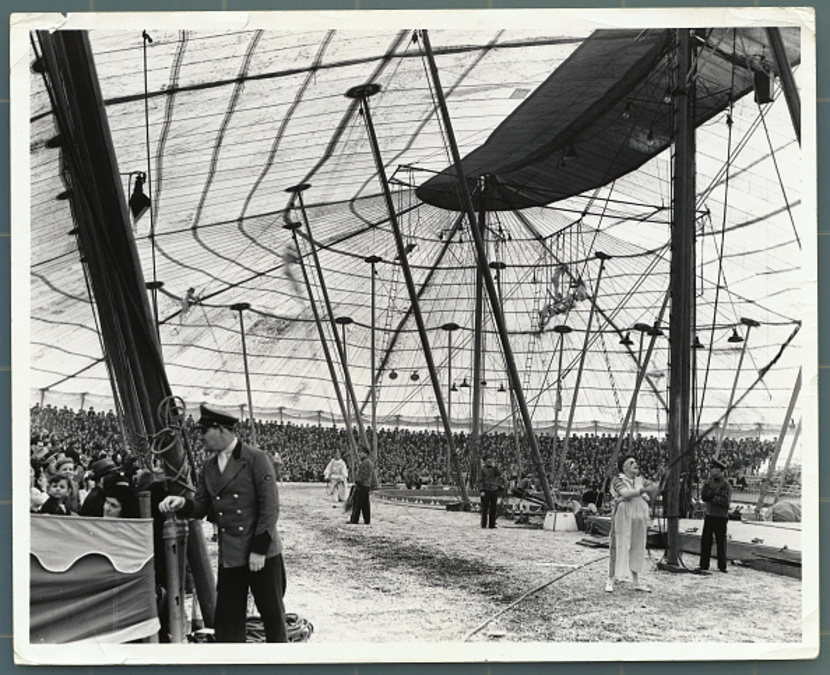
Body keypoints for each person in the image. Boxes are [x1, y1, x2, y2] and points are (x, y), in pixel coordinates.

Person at [159, 405, 288, 643]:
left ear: (220, 430)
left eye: (204, 432)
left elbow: (270, 509)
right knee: (228, 621)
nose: (200, 438)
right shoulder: (208, 466)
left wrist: (259, 550)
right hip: (231, 555)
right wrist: (182, 504)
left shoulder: (256, 459)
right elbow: (201, 506)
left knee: (272, 617)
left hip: (261, 554)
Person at [606, 457, 662, 593]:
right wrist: (642, 491)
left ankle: (636, 581)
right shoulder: (618, 479)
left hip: (639, 515)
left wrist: (663, 479)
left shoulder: (640, 479)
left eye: (636, 461)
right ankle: (610, 579)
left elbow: (655, 490)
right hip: (623, 514)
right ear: (624, 468)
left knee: (638, 545)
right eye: (631, 463)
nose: (636, 464)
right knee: (619, 544)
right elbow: (625, 493)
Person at [697, 457, 732, 574]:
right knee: (706, 541)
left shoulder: (726, 485)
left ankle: (722, 566)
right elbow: (704, 496)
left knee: (721, 541)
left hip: (720, 517)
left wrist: (712, 496)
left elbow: (725, 502)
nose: (711, 471)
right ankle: (704, 565)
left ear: (719, 470)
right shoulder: (708, 483)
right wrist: (713, 496)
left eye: (713, 468)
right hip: (710, 515)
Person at [349, 446, 377, 525]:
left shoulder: (365, 463)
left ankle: (354, 519)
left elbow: (363, 475)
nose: (359, 454)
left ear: (365, 453)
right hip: (367, 485)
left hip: (361, 485)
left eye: (361, 452)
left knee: (357, 504)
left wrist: (357, 481)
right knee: (365, 504)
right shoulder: (369, 463)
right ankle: (367, 520)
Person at [477, 456, 504, 529]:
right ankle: (483, 524)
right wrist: (481, 490)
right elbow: (480, 480)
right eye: (488, 461)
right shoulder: (482, 469)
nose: (489, 462)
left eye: (490, 460)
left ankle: (492, 524)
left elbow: (499, 474)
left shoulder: (494, 469)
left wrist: (495, 467)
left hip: (494, 489)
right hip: (485, 490)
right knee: (485, 508)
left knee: (493, 508)